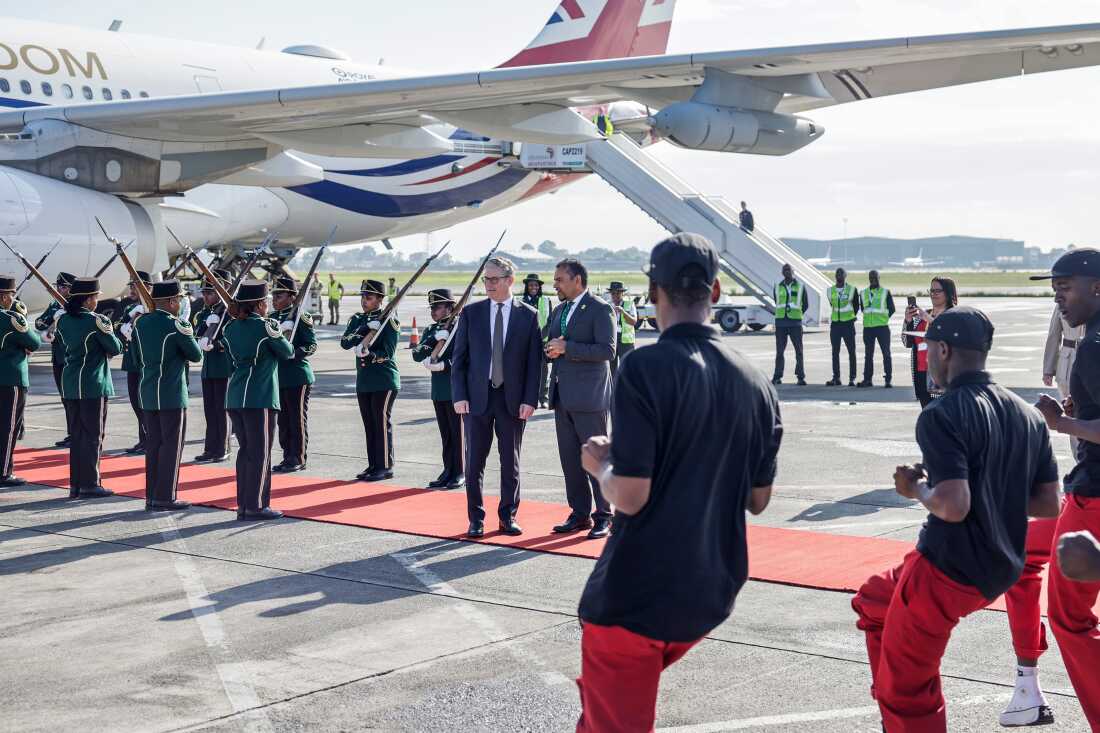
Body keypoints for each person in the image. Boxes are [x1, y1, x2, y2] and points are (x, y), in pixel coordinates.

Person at [575, 233, 782, 732]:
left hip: (635, 598)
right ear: (715, 292)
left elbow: (630, 495)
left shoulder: (644, 367)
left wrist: (599, 463)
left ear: (652, 291)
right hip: (710, 588)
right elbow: (759, 499)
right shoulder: (756, 382)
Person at [851, 306, 1061, 733]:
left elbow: (952, 505)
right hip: (999, 567)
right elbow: (1048, 504)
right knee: (873, 601)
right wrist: (993, 486)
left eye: (927, 347)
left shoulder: (941, 414)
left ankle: (898, 701)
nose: (926, 358)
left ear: (943, 349)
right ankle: (890, 690)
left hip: (946, 572)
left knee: (909, 693)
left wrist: (916, 489)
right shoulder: (1027, 415)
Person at [1030, 248, 1100, 728]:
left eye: (1066, 287)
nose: (1058, 297)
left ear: (1096, 286)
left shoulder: (1095, 345)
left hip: (1094, 495)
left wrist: (1063, 421)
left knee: (1069, 617)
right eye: (1054, 289)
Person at [450, 256, 542, 538]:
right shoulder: (471, 313)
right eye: (485, 279)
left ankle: (507, 517)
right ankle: (475, 519)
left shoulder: (527, 315)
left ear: (509, 280)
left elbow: (534, 363)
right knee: (474, 461)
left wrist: (531, 399)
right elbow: (459, 359)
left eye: (493, 279)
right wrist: (459, 395)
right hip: (477, 398)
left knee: (509, 462)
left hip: (512, 400)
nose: (488, 284)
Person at [545, 259, 616, 540]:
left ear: (577, 280)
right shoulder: (560, 309)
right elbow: (551, 341)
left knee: (595, 460)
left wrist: (567, 348)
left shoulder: (600, 308)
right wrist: (550, 349)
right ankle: (579, 513)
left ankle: (604, 515)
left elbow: (607, 350)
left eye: (560, 279)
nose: (555, 284)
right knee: (570, 461)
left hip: (589, 398)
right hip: (562, 396)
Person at [223, 280, 294, 520]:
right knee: (261, 453)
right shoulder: (267, 326)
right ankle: (256, 505)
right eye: (265, 302)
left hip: (235, 396)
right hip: (259, 396)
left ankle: (244, 504)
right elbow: (288, 352)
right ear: (259, 304)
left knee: (245, 452)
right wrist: (281, 332)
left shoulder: (230, 329)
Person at [133, 280, 202, 511]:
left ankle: (152, 495)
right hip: (171, 393)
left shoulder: (140, 323)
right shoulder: (177, 325)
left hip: (148, 391)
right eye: (179, 300)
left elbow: (134, 358)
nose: (181, 303)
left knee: (153, 445)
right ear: (172, 301)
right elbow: (195, 355)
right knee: (171, 446)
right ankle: (165, 496)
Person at [56, 277, 123, 499]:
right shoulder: (97, 321)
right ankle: (90, 483)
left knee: (76, 435)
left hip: (70, 382)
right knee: (93, 435)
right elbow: (115, 347)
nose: (97, 301)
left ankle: (76, 483)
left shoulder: (64, 321)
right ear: (87, 300)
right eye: (95, 297)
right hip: (92, 383)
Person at [340, 279, 400, 482]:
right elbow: (345, 342)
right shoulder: (358, 319)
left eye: (369, 297)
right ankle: (373, 464)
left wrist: (369, 353)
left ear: (380, 299)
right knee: (369, 424)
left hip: (384, 380)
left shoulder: (388, 321)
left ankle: (385, 466)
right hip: (364, 381)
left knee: (381, 423)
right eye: (363, 296)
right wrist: (365, 328)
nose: (364, 300)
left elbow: (388, 353)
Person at [411, 289, 464, 489]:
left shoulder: (460, 328)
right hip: (438, 390)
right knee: (446, 434)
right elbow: (417, 354)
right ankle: (448, 469)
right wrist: (434, 340)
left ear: (450, 307)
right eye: (432, 307)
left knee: (458, 434)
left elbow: (467, 358)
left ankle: (460, 471)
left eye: (438, 306)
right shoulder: (432, 330)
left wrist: (446, 365)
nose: (433, 311)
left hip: (455, 390)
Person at [270, 276, 317, 473]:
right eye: (273, 295)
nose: (274, 299)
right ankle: (286, 455)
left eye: (279, 295)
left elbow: (311, 345)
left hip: (297, 376)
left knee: (296, 420)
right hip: (278, 376)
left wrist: (293, 353)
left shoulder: (300, 317)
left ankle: (298, 457)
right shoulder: (272, 318)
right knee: (283, 420)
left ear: (291, 297)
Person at [0, 276, 40, 486]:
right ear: (4, 296)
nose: (12, 298)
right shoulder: (11, 319)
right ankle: (4, 472)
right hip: (10, 378)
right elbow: (34, 342)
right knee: (8, 428)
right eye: (11, 294)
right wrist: (20, 316)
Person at [192, 269, 233, 463]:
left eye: (210, 292)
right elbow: (196, 333)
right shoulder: (203, 313)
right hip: (208, 368)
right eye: (204, 293)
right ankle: (210, 448)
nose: (205, 296)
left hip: (224, 367)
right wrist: (205, 327)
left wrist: (217, 344)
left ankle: (223, 448)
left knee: (221, 410)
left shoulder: (230, 313)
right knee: (210, 410)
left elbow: (234, 339)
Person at [34, 271, 74, 447]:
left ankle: (77, 433)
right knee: (64, 397)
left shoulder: (74, 306)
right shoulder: (55, 305)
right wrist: (54, 314)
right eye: (58, 286)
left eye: (63, 287)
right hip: (57, 357)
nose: (60, 289)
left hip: (70, 357)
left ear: (71, 289)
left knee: (73, 397)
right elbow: (39, 323)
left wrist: (65, 313)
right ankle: (71, 432)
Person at [904, 277, 957, 408]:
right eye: (931, 290)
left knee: (945, 418)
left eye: (937, 290)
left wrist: (930, 320)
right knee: (928, 417)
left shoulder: (954, 315)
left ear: (948, 293)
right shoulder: (921, 316)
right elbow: (907, 342)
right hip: (921, 374)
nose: (933, 294)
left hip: (943, 375)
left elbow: (953, 338)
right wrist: (908, 321)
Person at [115, 270, 152, 455]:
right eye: (131, 285)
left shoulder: (152, 309)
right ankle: (143, 439)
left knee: (145, 404)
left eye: (135, 285)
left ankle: (149, 440)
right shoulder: (129, 308)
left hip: (145, 362)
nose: (131, 288)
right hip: (131, 362)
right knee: (136, 403)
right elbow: (117, 328)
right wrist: (130, 318)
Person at [1042, 305, 1083, 453]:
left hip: (1093, 359)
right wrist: (1048, 369)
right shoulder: (1062, 302)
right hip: (1068, 362)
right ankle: (1079, 460)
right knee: (1071, 412)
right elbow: (1054, 335)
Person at [857, 270, 896, 388]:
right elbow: (863, 309)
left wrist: (883, 319)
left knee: (886, 353)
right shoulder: (863, 293)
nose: (873, 279)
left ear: (879, 278)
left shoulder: (885, 292)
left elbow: (892, 309)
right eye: (870, 277)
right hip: (868, 328)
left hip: (882, 328)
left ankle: (888, 379)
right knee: (868, 355)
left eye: (875, 277)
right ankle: (867, 379)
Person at [772, 263, 807, 386]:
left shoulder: (801, 286)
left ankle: (800, 376)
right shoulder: (777, 286)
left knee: (799, 351)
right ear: (782, 272)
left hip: (795, 323)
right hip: (781, 322)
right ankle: (777, 376)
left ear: (793, 272)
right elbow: (777, 301)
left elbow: (805, 304)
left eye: (789, 270)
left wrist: (797, 314)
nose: (787, 272)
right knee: (780, 351)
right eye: (785, 270)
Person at [521, 273, 553, 408]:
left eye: (536, 285)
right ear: (527, 287)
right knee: (524, 369)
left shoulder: (546, 300)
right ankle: (527, 397)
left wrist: (542, 334)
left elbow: (550, 320)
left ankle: (543, 397)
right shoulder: (520, 301)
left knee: (544, 370)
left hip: (543, 340)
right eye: (530, 285)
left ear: (539, 287)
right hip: (525, 341)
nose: (533, 287)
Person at [826, 268, 859, 387]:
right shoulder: (830, 291)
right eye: (837, 274)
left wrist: (851, 317)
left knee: (851, 352)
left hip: (848, 324)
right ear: (835, 276)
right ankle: (836, 377)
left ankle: (852, 378)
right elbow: (832, 304)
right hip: (835, 325)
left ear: (845, 276)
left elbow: (856, 306)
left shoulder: (852, 290)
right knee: (835, 352)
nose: (839, 275)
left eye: (841, 274)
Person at [607, 281, 637, 379]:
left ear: (622, 293)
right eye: (613, 293)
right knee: (612, 369)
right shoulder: (608, 306)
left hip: (626, 341)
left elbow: (633, 322)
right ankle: (613, 391)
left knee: (627, 367)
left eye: (618, 293)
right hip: (612, 340)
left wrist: (623, 312)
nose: (615, 295)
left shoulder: (629, 304)